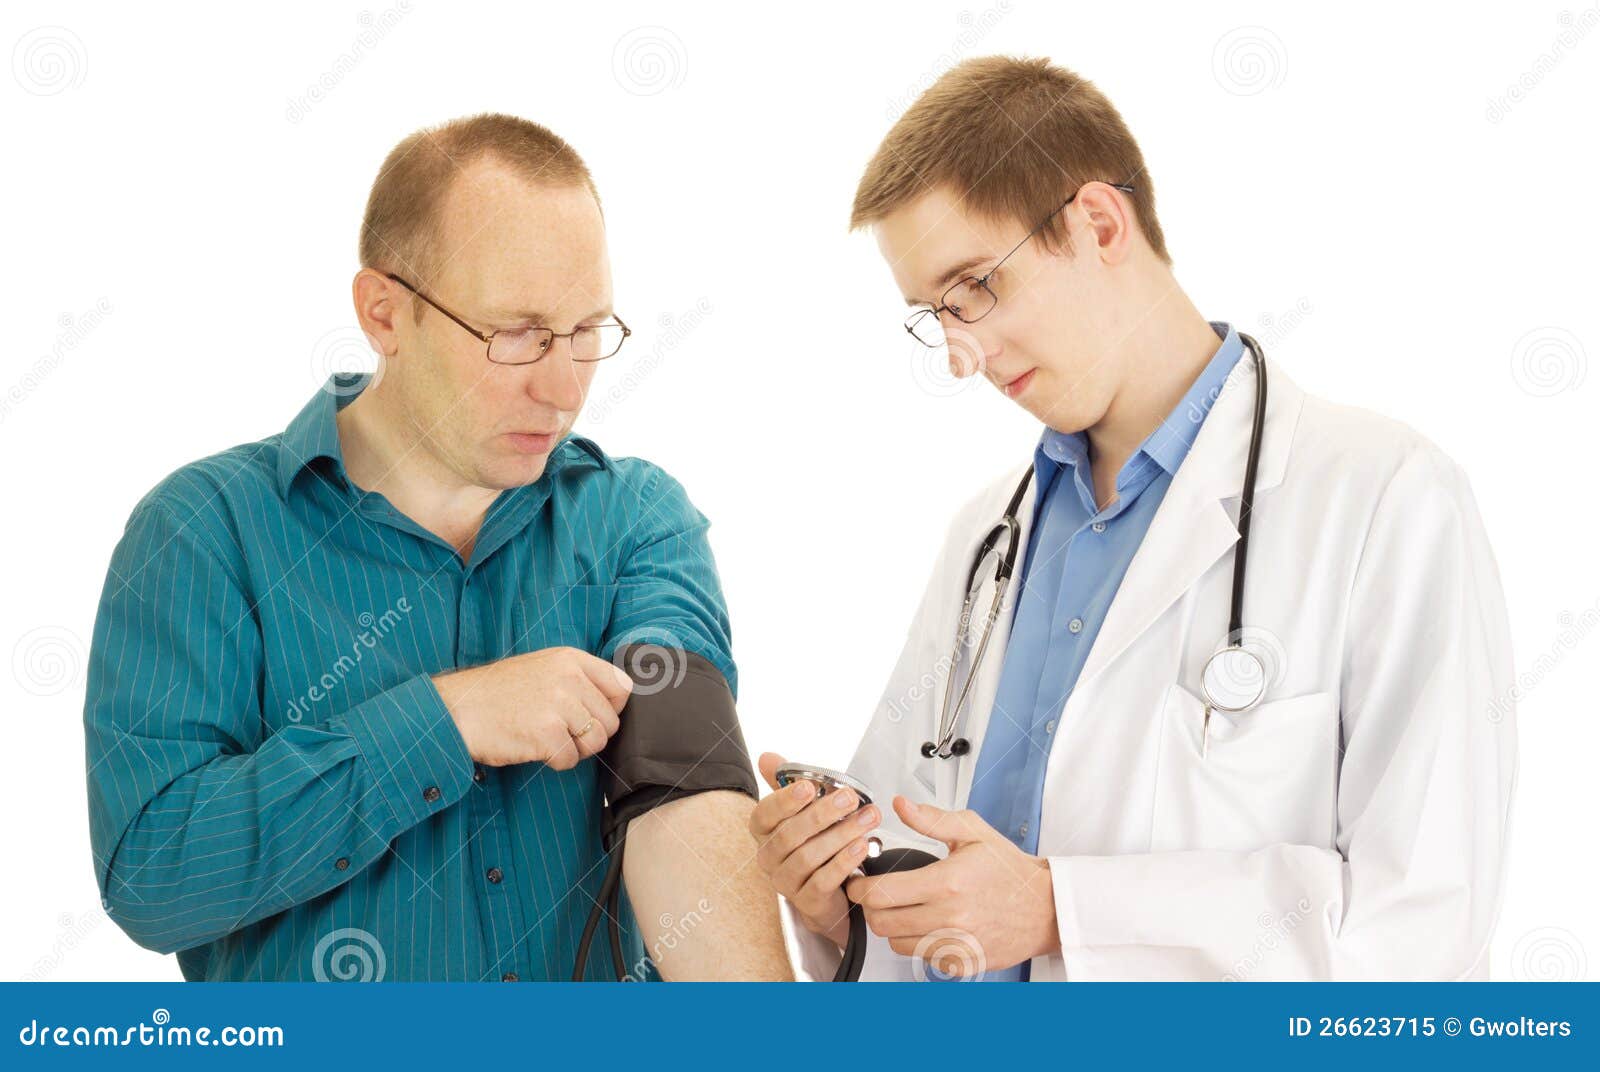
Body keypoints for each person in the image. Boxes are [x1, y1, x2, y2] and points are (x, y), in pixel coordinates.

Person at [752, 56, 1516, 981]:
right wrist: (841, 895)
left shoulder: (1385, 496)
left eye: (975, 291)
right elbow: (928, 880)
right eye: (933, 316)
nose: (959, 356)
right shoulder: (984, 539)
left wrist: (1062, 913)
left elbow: (1425, 924)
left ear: (1099, 224)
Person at [84, 113, 791, 982]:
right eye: (517, 333)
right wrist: (449, 722)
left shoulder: (635, 519)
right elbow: (154, 879)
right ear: (384, 312)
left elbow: (685, 787)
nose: (564, 386)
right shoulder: (205, 531)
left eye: (586, 332)